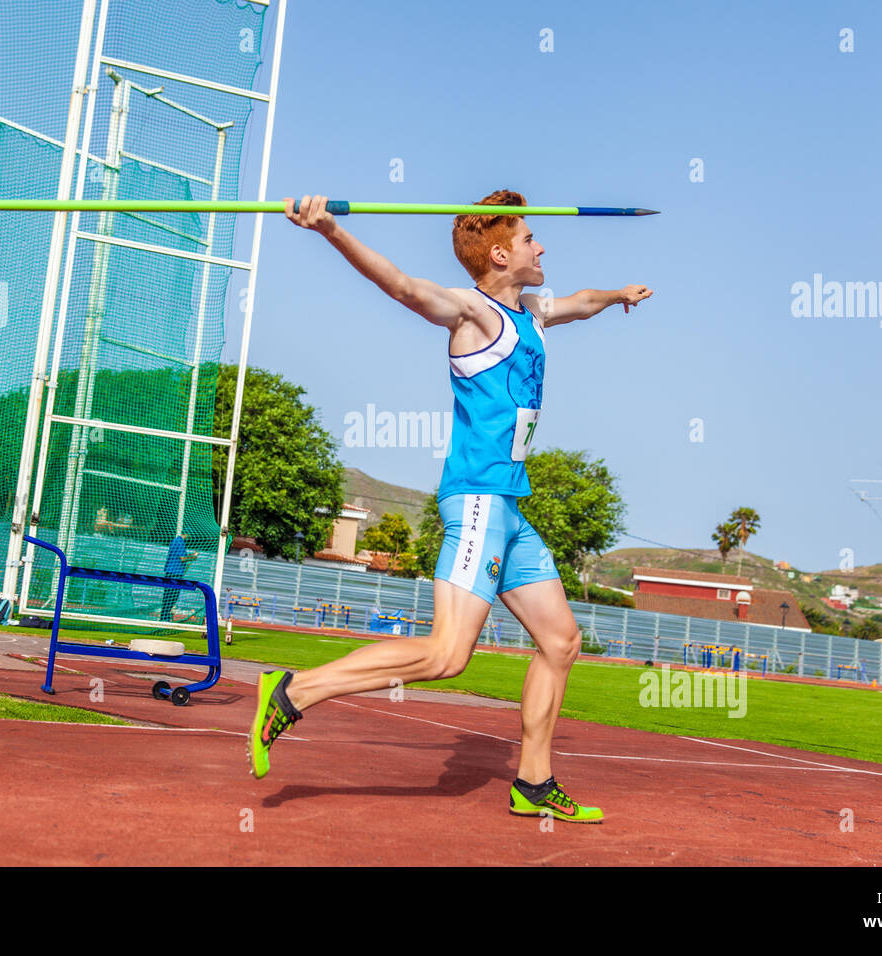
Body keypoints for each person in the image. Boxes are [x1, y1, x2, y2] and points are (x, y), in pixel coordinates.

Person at [247, 191, 652, 822]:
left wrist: (618, 295)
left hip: (510, 509)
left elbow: (581, 304)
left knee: (561, 641)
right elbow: (406, 287)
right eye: (528, 241)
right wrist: (329, 229)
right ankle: (297, 689)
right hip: (478, 504)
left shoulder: (533, 314)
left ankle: (535, 784)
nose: (541, 247)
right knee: (445, 655)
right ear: (498, 253)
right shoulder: (475, 313)